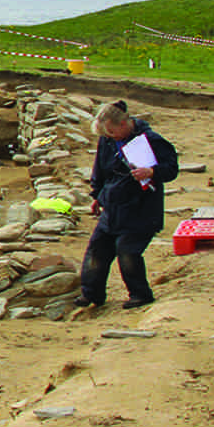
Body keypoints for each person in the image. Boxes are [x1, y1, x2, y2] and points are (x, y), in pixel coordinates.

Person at [76, 100, 179, 311]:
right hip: (112, 206)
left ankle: (140, 294)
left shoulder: (151, 141)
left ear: (124, 124)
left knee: (128, 252)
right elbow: (100, 169)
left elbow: (171, 169)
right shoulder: (107, 141)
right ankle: (90, 293)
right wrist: (97, 194)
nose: (110, 137)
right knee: (97, 251)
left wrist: (151, 172)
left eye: (113, 132)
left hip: (141, 209)